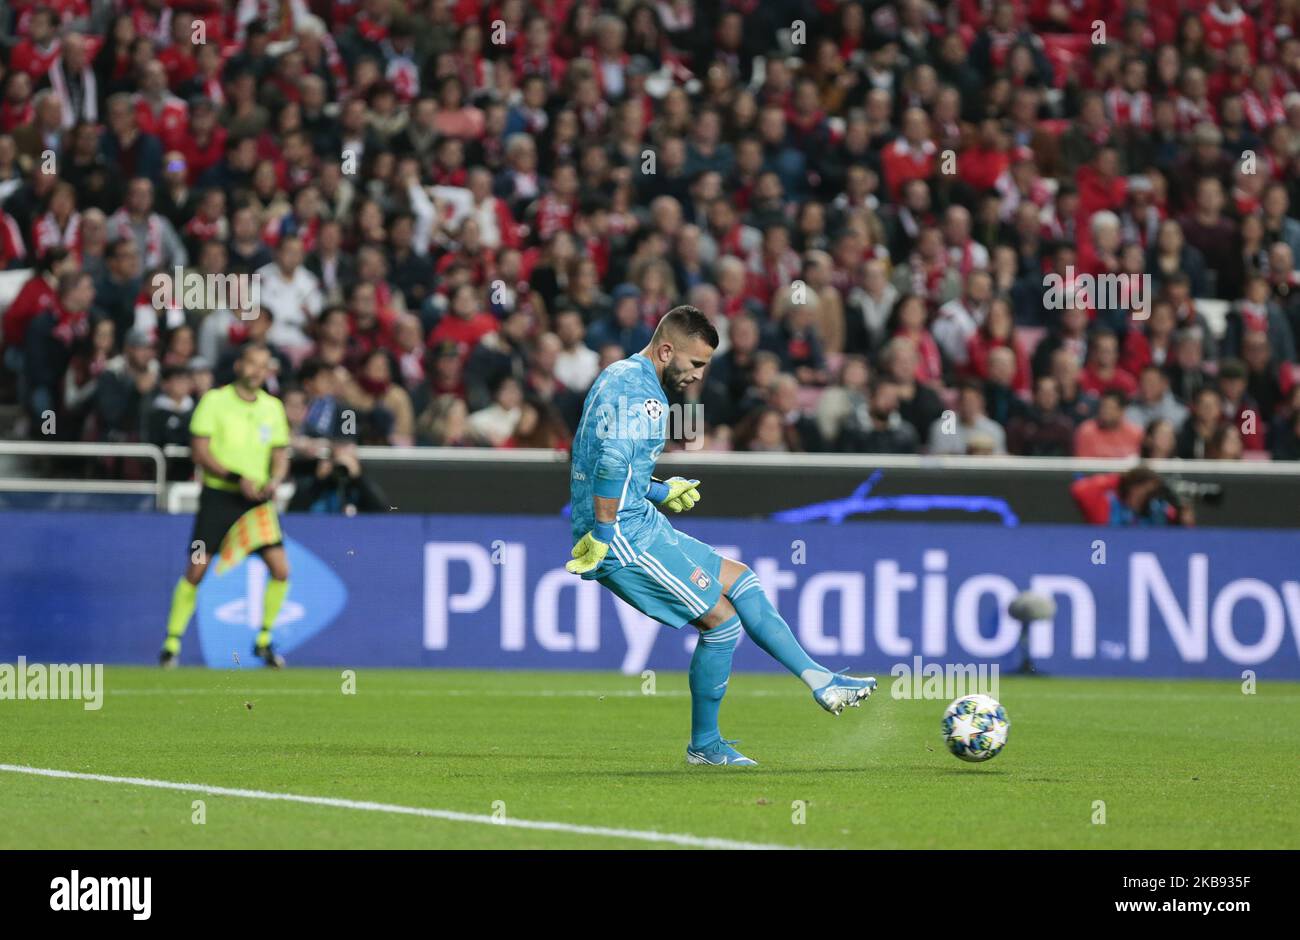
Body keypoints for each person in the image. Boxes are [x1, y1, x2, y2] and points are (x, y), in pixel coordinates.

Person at [564, 306, 876, 766]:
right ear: (666, 350)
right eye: (695, 363)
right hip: (621, 531)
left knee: (742, 579)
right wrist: (606, 533)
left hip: (634, 518)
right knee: (722, 624)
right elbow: (610, 464)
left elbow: (610, 460)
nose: (698, 375)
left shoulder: (622, 376)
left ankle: (819, 678)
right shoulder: (646, 398)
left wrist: (660, 489)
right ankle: (705, 747)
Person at [159, 343, 291, 668]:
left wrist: (274, 479)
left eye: (264, 366)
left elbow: (280, 455)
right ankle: (172, 643)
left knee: (281, 569)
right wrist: (235, 478)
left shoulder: (273, 407)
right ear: (239, 365)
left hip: (256, 503)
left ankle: (263, 641)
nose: (257, 371)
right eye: (252, 363)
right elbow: (200, 452)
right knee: (197, 568)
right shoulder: (215, 401)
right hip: (219, 497)